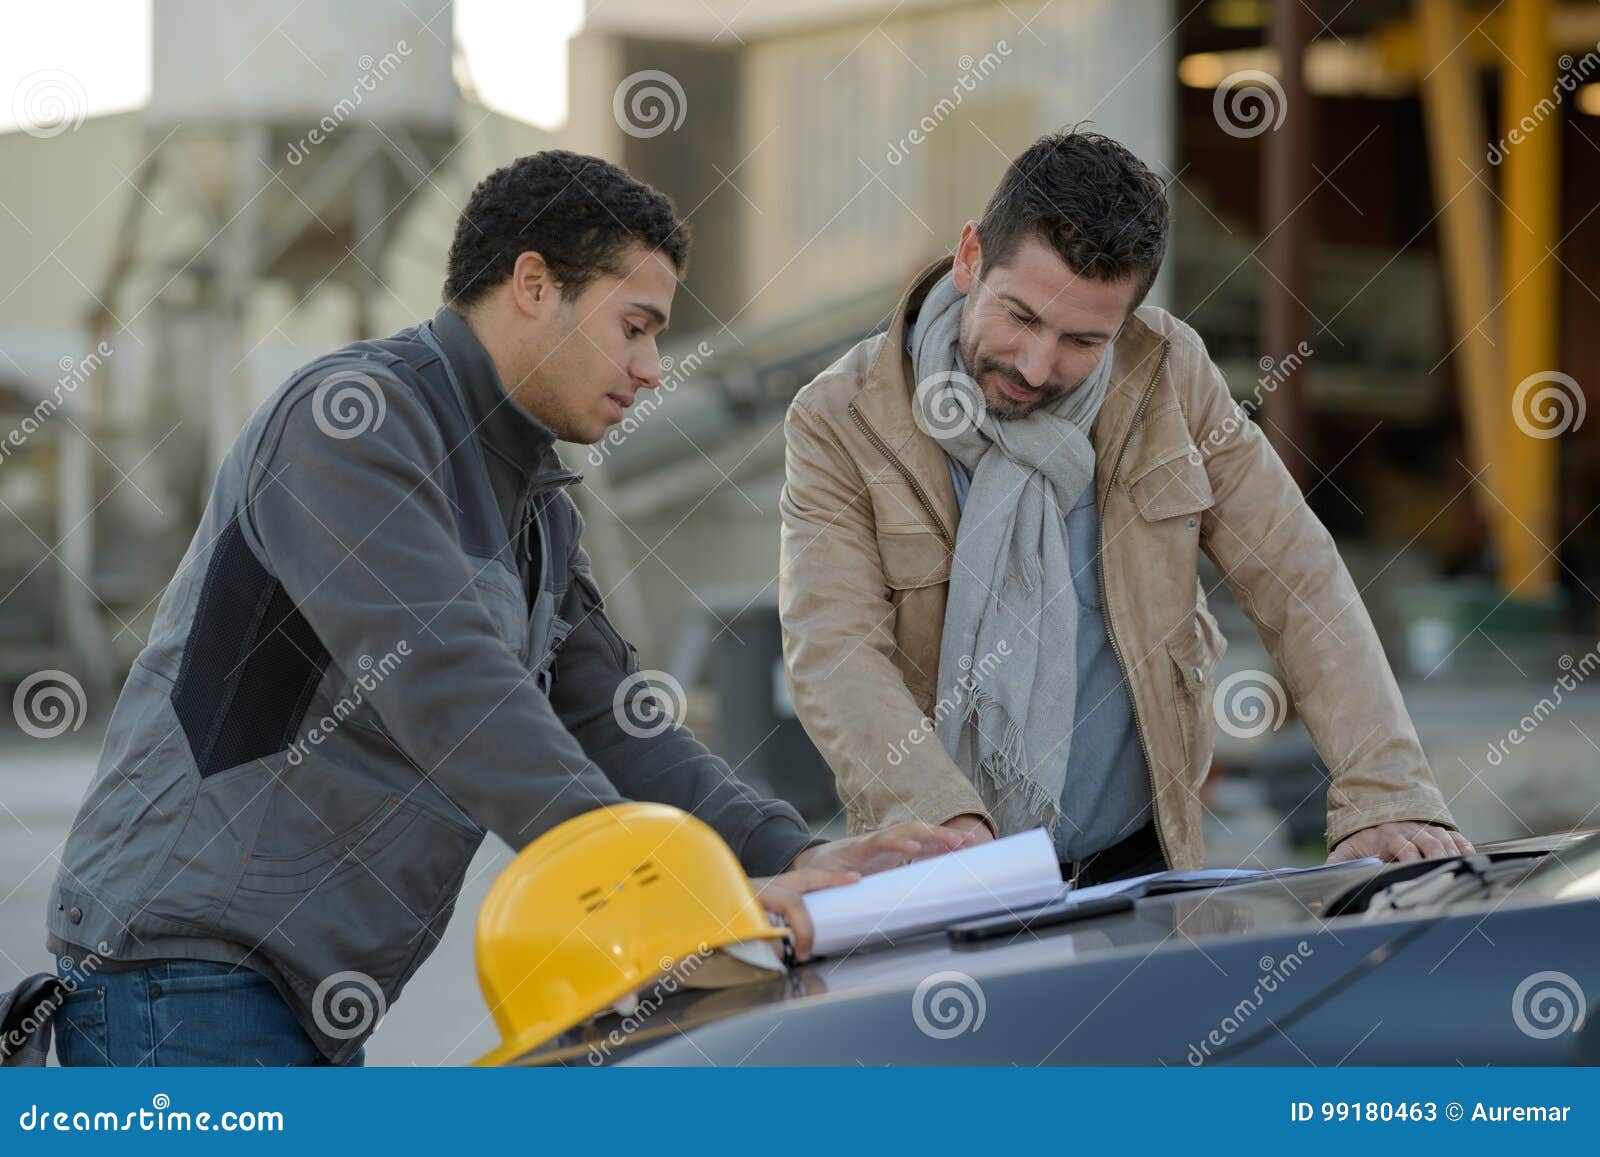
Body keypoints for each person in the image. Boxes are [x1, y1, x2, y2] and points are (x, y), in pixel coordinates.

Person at [46, 150, 969, 1067]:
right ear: (533, 284)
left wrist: (790, 852)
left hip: (291, 995)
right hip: (183, 978)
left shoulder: (537, 509)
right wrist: (666, 889)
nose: (652, 369)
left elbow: (618, 724)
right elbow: (447, 678)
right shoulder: (351, 423)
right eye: (636, 326)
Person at [778, 128, 1472, 889]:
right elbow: (836, 647)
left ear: (1129, 319)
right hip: (938, 872)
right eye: (1021, 317)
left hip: (1139, 871)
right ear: (971, 255)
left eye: (1082, 340)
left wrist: (1386, 793)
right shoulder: (841, 418)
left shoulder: (1171, 377)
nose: (1036, 366)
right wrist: (945, 821)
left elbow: (1297, 577)